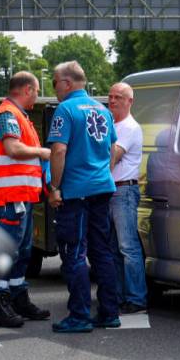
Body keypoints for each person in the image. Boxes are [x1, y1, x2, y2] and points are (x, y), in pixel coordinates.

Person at [47, 62, 121, 333]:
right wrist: (104, 174)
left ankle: (79, 315)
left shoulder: (65, 110)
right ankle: (109, 312)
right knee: (102, 251)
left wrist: (55, 187)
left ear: (67, 83)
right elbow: (112, 147)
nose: (53, 88)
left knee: (74, 253)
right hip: (102, 188)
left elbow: (58, 151)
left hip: (76, 192)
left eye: (55, 82)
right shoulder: (102, 109)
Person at [0, 71, 52, 328]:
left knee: (22, 252)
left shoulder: (20, 116)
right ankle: (1, 304)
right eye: (36, 90)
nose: (37, 95)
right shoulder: (7, 114)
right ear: (26, 90)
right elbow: (13, 149)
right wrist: (44, 152)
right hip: (8, 198)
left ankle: (18, 298)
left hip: (20, 198)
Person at [107, 82, 148, 314]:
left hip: (124, 192)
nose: (112, 101)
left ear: (129, 101)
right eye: (111, 97)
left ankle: (136, 298)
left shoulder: (130, 127)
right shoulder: (114, 125)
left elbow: (112, 158)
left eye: (118, 97)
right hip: (112, 191)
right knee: (113, 248)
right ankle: (121, 295)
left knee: (127, 247)